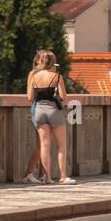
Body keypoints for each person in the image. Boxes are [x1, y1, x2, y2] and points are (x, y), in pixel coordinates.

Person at [27, 50, 74, 184]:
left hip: (39, 111)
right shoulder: (56, 76)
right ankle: (63, 177)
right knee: (61, 146)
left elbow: (30, 97)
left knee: (44, 145)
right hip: (53, 110)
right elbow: (64, 97)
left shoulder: (34, 76)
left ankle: (47, 178)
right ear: (53, 62)